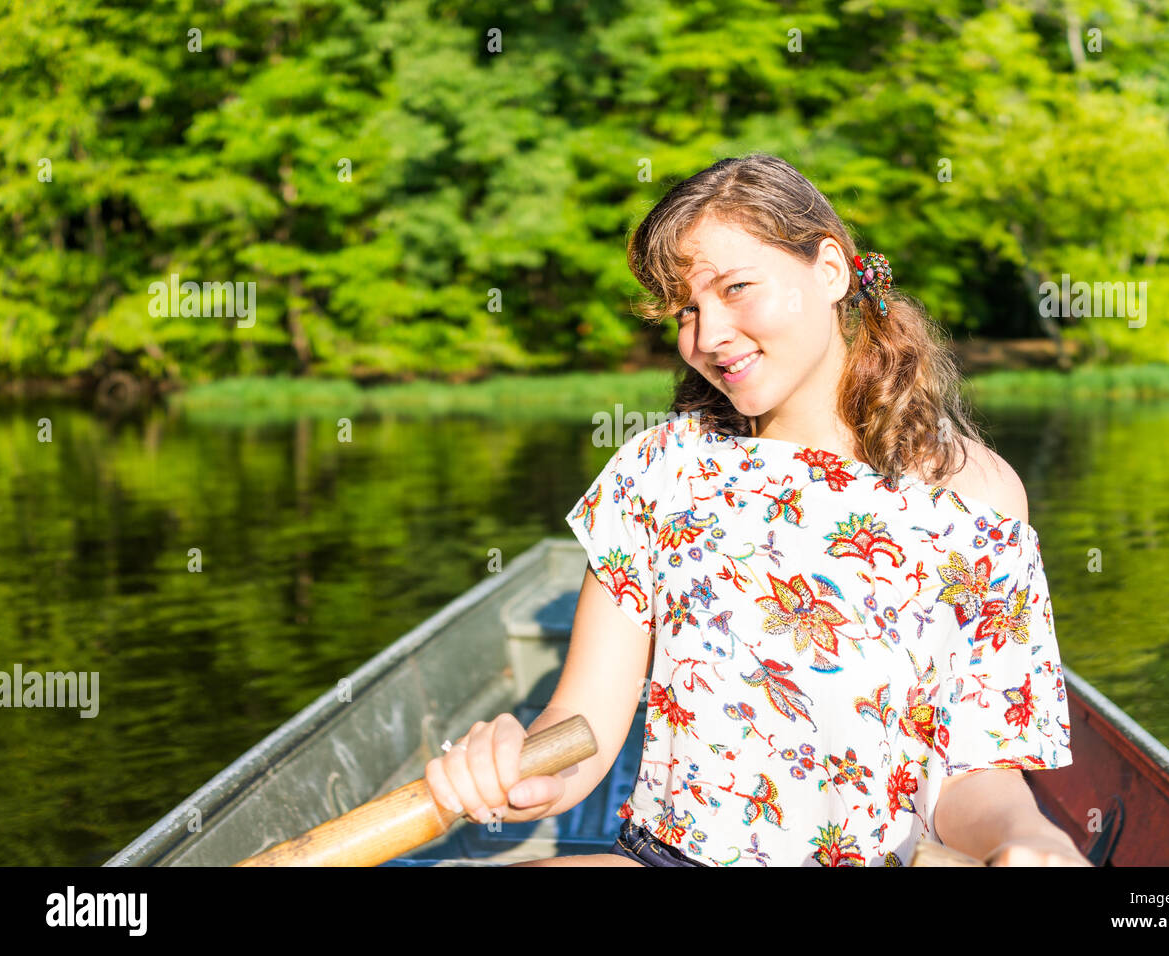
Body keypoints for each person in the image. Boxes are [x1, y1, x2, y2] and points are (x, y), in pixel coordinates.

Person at [424, 153, 1091, 867]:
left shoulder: (977, 498)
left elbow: (974, 775)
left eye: (736, 288)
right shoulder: (658, 469)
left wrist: (1030, 839)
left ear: (830, 269)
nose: (707, 336)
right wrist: (516, 773)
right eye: (686, 311)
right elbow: (579, 723)